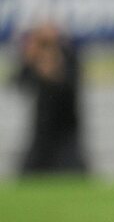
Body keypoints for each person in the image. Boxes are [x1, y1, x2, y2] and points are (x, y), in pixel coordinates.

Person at [12, 23, 88, 175]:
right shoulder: (34, 61)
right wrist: (29, 59)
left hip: (67, 132)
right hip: (42, 134)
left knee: (74, 177)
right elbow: (19, 82)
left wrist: (54, 70)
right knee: (28, 180)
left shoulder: (69, 58)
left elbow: (69, 86)